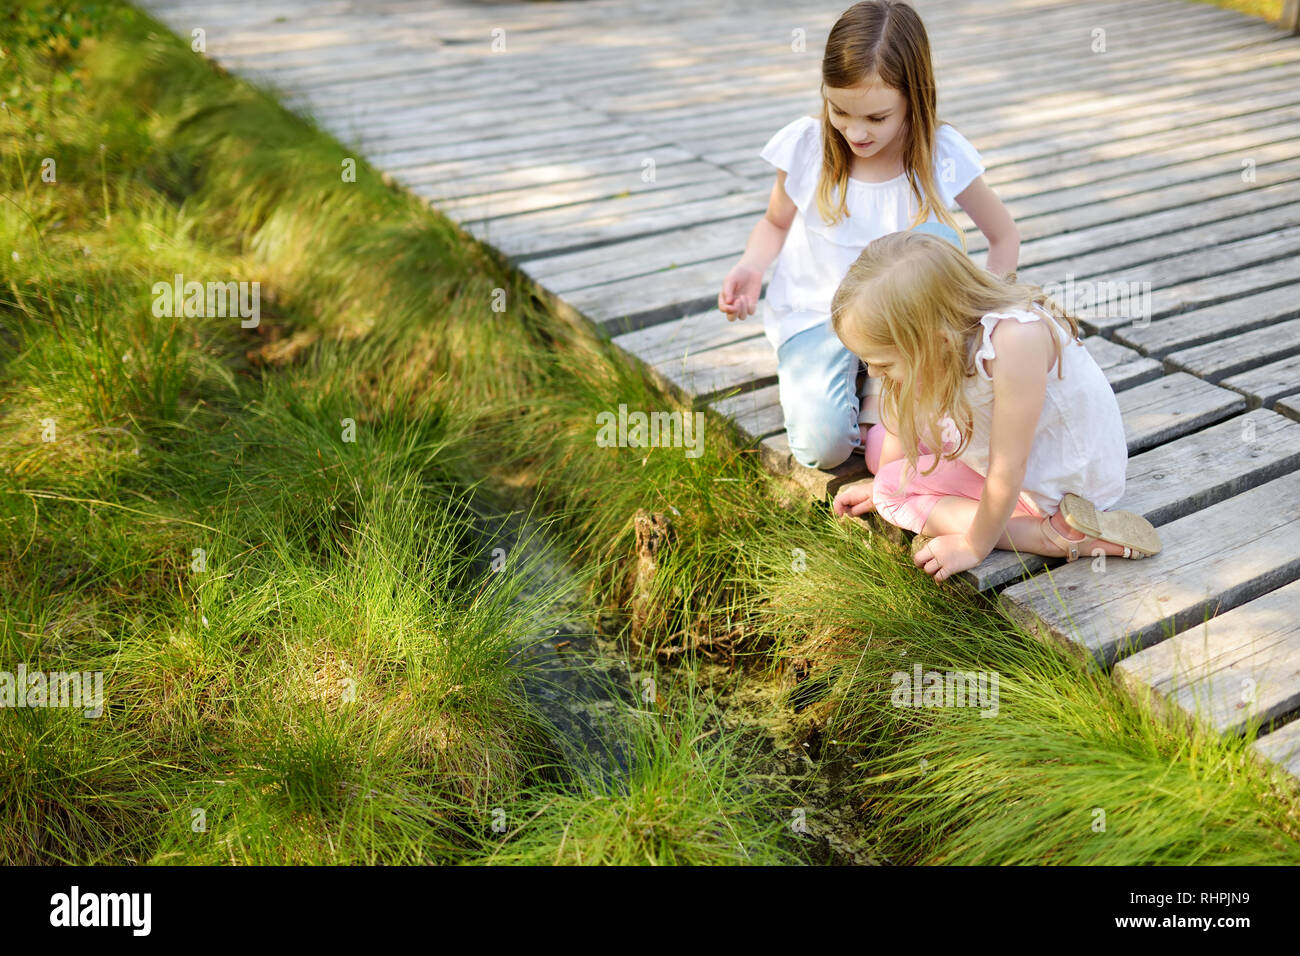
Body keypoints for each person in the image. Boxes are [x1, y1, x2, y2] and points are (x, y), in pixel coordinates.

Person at [717, 0, 1019, 469]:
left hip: (905, 323)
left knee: (936, 237)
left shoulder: (940, 155)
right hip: (817, 313)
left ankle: (880, 380)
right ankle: (853, 384)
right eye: (840, 110)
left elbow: (1003, 238)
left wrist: (978, 321)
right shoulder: (808, 147)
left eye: (876, 118)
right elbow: (775, 222)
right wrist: (751, 266)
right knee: (824, 447)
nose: (855, 132)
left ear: (913, 100)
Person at [828, 230, 1161, 582]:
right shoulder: (960, 326)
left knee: (889, 491)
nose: (875, 373)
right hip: (1023, 452)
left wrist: (973, 545)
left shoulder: (1016, 341)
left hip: (1059, 483)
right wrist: (899, 479)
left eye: (883, 362)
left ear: (934, 341)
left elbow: (1009, 467)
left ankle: (1053, 536)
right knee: (883, 450)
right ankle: (907, 487)